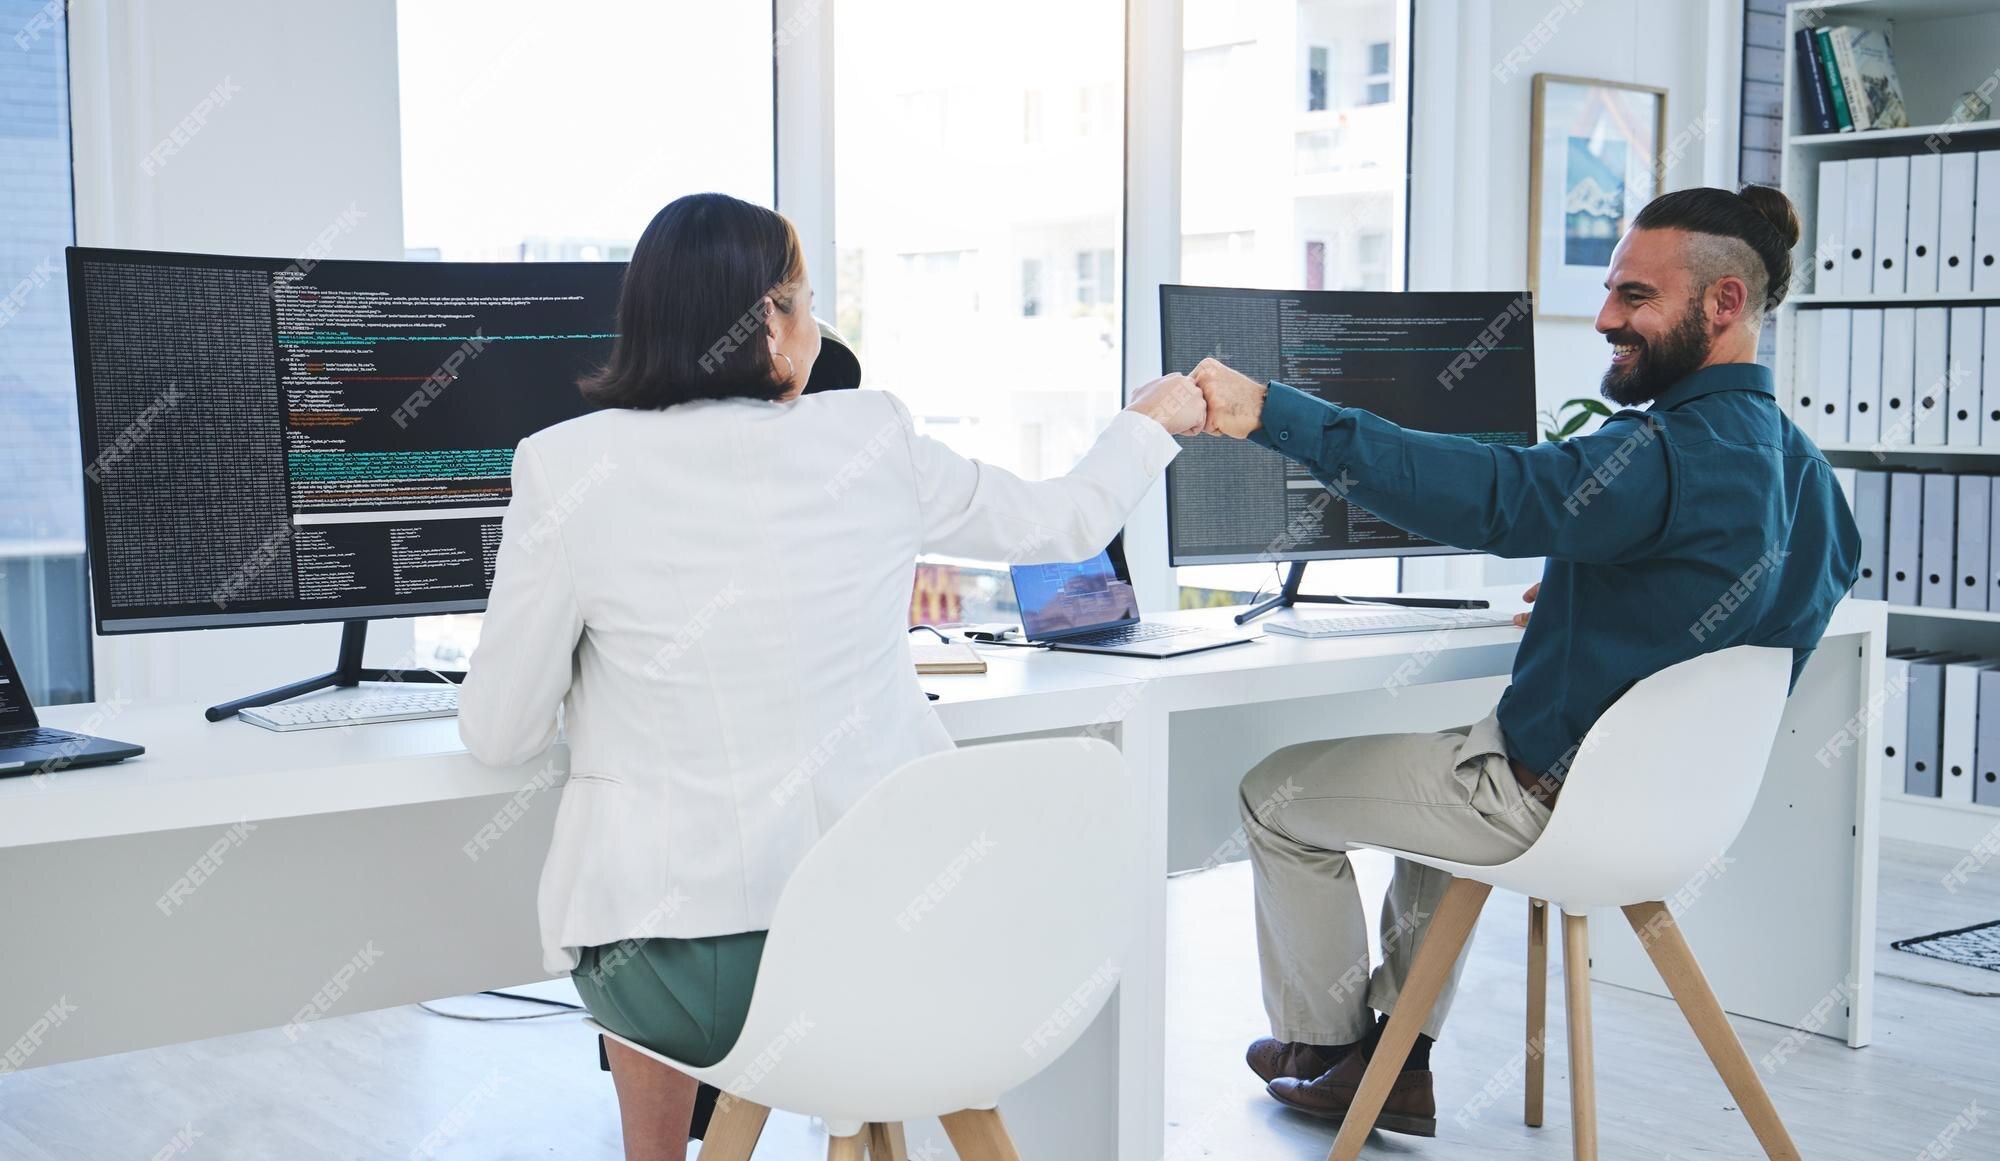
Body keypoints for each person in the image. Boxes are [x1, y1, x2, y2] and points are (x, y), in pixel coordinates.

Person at [457, 191, 1205, 1161]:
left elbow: (499, 733)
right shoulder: (872, 438)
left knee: (645, 925)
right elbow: (1060, 521)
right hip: (908, 948)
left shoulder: (565, 466)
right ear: (770, 321)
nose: (817, 325)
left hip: (700, 981)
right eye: (806, 300)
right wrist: (1149, 420)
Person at [1187, 184, 1860, 1135]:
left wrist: (1269, 412)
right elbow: (1773, 596)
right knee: (1448, 754)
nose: (1604, 318)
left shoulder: (1662, 452)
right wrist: (1625, 592)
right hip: (1671, 818)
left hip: (1549, 803)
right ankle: (1397, 1055)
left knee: (1275, 794)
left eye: (1634, 296)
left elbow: (1494, 496)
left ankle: (1327, 1052)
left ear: (1723, 306)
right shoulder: (1803, 469)